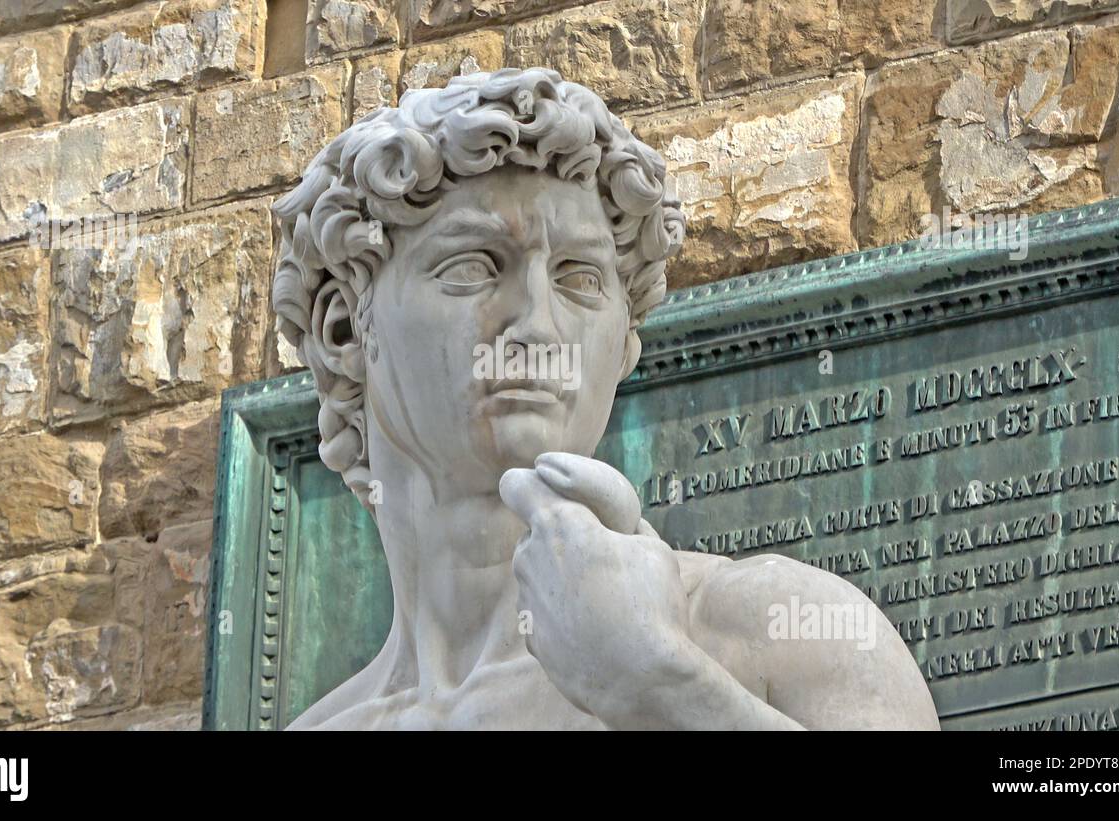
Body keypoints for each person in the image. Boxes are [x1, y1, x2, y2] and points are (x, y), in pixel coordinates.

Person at [271, 67, 939, 730]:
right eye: (474, 265)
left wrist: (657, 682)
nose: (536, 323)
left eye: (579, 278)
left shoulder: (779, 635)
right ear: (341, 329)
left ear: (622, 345)